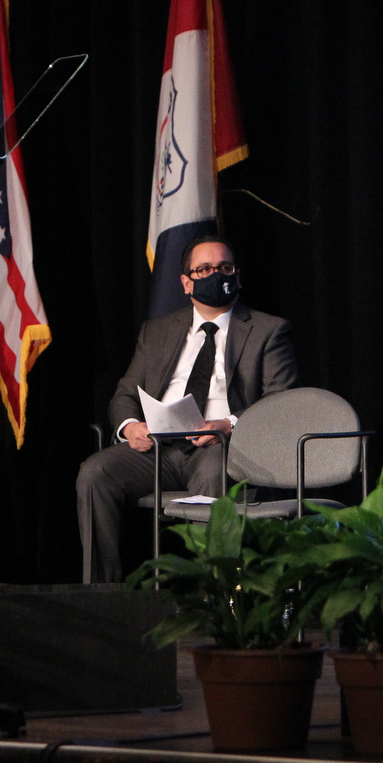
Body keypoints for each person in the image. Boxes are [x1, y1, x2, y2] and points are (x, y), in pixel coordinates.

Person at [76, 236, 298, 583]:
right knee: (95, 474)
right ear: (186, 282)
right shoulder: (158, 331)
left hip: (222, 448)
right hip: (158, 449)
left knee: (213, 473)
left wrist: (227, 424)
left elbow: (279, 403)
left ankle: (214, 596)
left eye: (225, 268)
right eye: (205, 269)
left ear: (238, 277)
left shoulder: (268, 330)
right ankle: (103, 594)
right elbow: (124, 395)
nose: (216, 275)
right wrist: (131, 426)